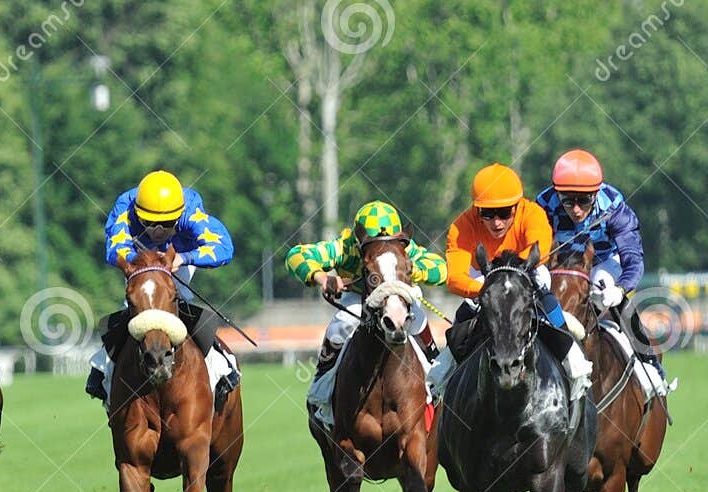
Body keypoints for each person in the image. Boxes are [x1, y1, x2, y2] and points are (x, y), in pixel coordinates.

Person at [427, 163, 591, 399]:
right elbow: (455, 278)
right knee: (468, 311)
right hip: (485, 279)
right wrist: (489, 289)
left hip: (524, 272)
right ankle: (443, 370)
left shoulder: (532, 213)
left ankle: (571, 355)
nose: (497, 223)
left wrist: (510, 281)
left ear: (518, 206)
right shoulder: (460, 227)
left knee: (543, 281)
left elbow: (539, 248)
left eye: (505, 213)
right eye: (487, 214)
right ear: (476, 210)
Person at [285, 201, 446, 428]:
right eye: (373, 245)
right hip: (360, 299)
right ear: (359, 240)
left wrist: (408, 270)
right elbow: (296, 255)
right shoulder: (343, 246)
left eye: (389, 244)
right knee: (342, 323)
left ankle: (436, 377)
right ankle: (322, 386)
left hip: (396, 298)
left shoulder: (404, 248)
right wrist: (324, 278)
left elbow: (441, 267)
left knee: (417, 318)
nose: (383, 249)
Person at [88, 169, 237, 406]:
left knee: (181, 301)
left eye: (166, 224)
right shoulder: (125, 206)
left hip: (177, 261)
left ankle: (223, 366)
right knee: (132, 307)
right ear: (138, 213)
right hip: (142, 266)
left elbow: (224, 247)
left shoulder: (190, 207)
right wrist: (146, 265)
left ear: (179, 215)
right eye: (149, 223)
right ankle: (102, 370)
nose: (157, 231)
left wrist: (184, 258)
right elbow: (114, 248)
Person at [534, 149, 671, 388]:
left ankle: (649, 364)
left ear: (596, 193)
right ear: (557, 193)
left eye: (584, 200)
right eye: (567, 200)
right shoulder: (543, 205)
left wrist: (620, 289)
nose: (575, 209)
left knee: (605, 287)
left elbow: (633, 259)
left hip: (603, 261)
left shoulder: (615, 207)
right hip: (560, 266)